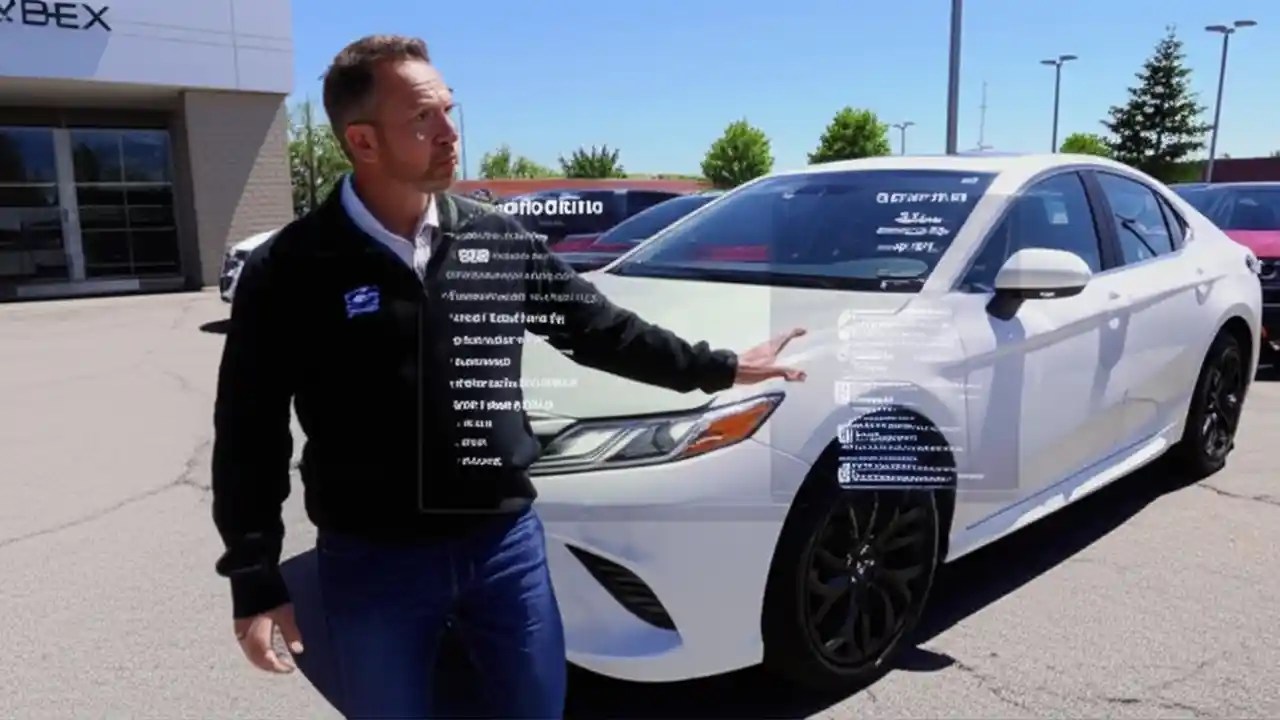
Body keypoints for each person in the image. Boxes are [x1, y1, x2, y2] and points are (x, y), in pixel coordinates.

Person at [211, 34, 807, 720]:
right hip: (373, 563)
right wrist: (254, 576)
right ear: (363, 142)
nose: (450, 132)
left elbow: (599, 329)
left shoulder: (494, 240)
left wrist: (720, 366)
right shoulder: (291, 267)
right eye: (423, 118)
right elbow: (249, 430)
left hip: (504, 549)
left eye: (449, 109)